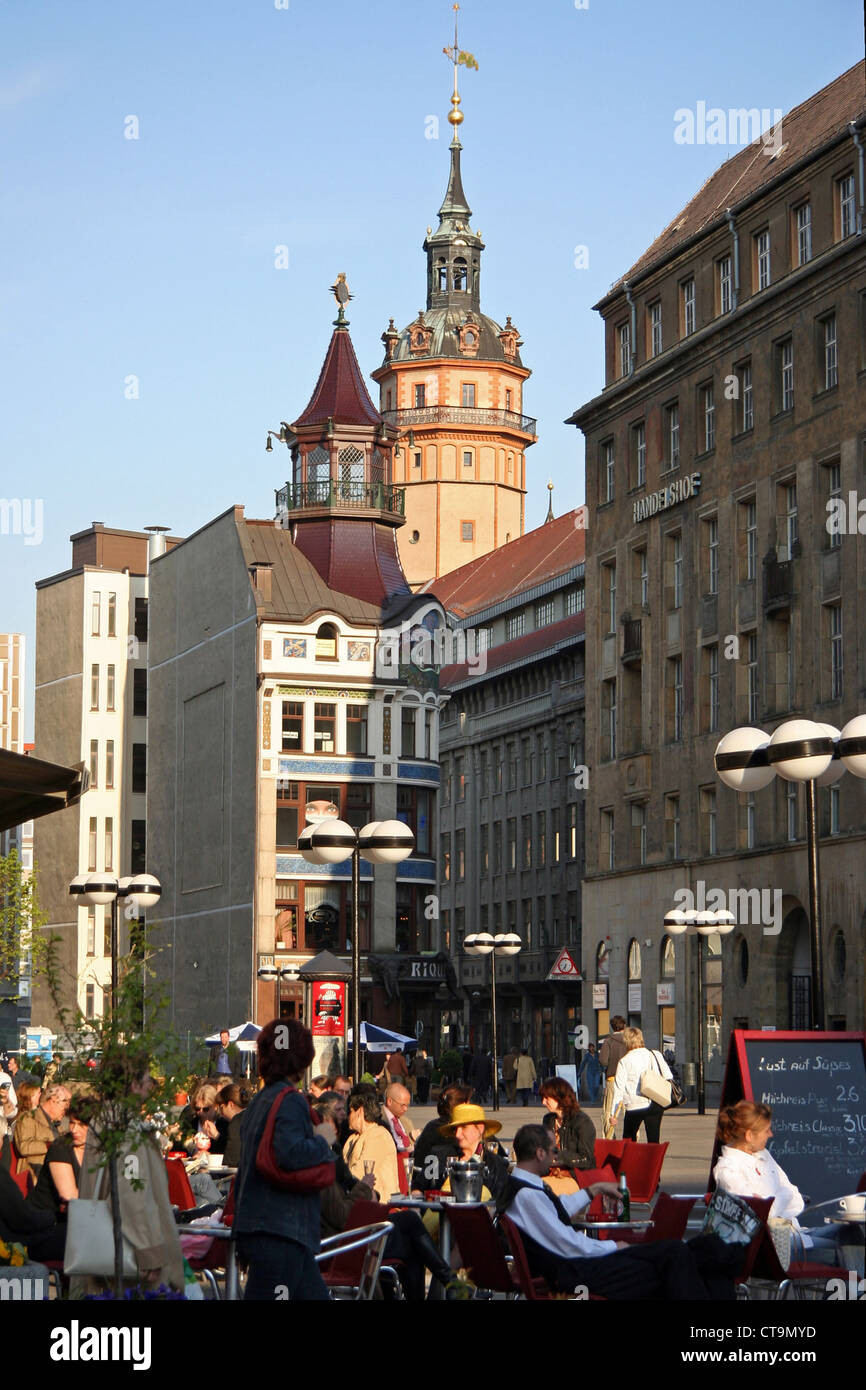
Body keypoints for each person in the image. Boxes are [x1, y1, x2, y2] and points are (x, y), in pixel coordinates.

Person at [500, 1124, 739, 1299]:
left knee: (697, 1254)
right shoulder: (527, 1196)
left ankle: (722, 1255)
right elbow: (566, 1243)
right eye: (554, 1151)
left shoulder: (525, 1189)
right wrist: (614, 1247)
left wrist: (594, 1189)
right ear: (540, 1153)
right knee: (675, 1256)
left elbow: (557, 1212)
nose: (556, 1157)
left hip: (577, 1267)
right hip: (575, 1273)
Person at [233, 1018, 337, 1301]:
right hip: (282, 1229)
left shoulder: (260, 1101)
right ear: (301, 1059)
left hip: (265, 1228)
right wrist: (322, 1139)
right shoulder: (290, 1101)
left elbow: (247, 1168)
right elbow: (289, 1154)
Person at [76, 1053, 186, 1294]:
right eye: (147, 1078)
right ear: (134, 1084)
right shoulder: (123, 1126)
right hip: (132, 1265)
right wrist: (148, 1252)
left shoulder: (105, 1120)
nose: (151, 1084)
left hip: (112, 1257)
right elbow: (131, 1189)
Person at [713, 1101, 862, 1271]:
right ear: (749, 1136)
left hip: (796, 1233)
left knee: (851, 1232)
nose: (771, 1134)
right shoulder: (728, 1171)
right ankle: (855, 1292)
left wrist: (775, 1201)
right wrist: (781, 1197)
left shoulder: (764, 1156)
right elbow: (762, 1215)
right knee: (845, 1251)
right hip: (770, 1248)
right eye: (766, 1130)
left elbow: (795, 1198)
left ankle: (848, 1291)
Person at [29, 1095, 93, 1218]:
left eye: (81, 1125)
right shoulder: (61, 1147)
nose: (74, 1129)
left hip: (75, 1219)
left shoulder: (99, 1150)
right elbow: (69, 1197)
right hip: (43, 1219)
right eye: (72, 1123)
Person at [610, 1027, 672, 1143]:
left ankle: (632, 1160)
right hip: (655, 1102)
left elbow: (619, 1089)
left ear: (626, 1041)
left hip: (634, 1104)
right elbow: (668, 1076)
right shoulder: (654, 1054)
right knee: (653, 1141)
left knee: (628, 1140)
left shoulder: (625, 1061)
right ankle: (653, 1161)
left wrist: (614, 1115)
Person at [412, 1082, 471, 1192]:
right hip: (455, 1187)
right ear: (463, 1106)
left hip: (424, 1185)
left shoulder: (431, 1127)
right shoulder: (466, 1130)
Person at [343, 1091, 400, 1201]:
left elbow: (360, 1173)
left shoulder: (378, 1135)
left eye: (350, 1112)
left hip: (382, 1205)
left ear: (359, 1111)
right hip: (359, 1201)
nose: (348, 1117)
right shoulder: (353, 1138)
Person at [13, 1083, 70, 1178]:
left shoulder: (57, 1124)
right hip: (34, 1176)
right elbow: (24, 1147)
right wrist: (50, 1145)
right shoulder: (29, 1118)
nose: (65, 1111)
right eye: (64, 1106)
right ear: (53, 1100)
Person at [539, 1076, 596, 1171]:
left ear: (558, 1097)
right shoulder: (548, 1120)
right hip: (551, 1172)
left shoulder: (582, 1122)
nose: (543, 1102)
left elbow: (586, 1160)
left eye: (546, 1098)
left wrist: (558, 1155)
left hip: (576, 1174)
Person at [599, 1016, 628, 1139]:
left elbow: (603, 1061)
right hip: (627, 1081)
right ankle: (632, 1137)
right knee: (630, 1110)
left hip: (612, 1079)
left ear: (612, 1027)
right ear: (624, 1026)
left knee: (608, 1111)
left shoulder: (608, 1041)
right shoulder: (629, 1041)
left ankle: (610, 1137)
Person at [216, 1084, 250, 1169]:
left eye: (221, 1107)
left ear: (230, 1104)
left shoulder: (236, 1122)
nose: (220, 1113)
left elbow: (231, 1163)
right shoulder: (253, 1114)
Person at [382, 1083, 418, 1160]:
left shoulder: (407, 1122)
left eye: (407, 1105)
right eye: (402, 1105)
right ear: (389, 1101)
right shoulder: (379, 1119)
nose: (406, 1109)